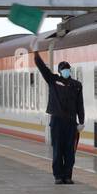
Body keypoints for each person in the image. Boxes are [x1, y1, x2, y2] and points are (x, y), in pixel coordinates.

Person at [32, 50, 85, 184]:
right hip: (56, 121)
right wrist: (36, 56)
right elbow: (43, 69)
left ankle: (68, 176)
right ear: (60, 71)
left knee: (70, 151)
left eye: (68, 69)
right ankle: (58, 176)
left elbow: (80, 104)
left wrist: (81, 122)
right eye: (64, 69)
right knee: (57, 150)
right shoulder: (53, 80)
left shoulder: (77, 85)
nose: (66, 71)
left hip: (71, 122)